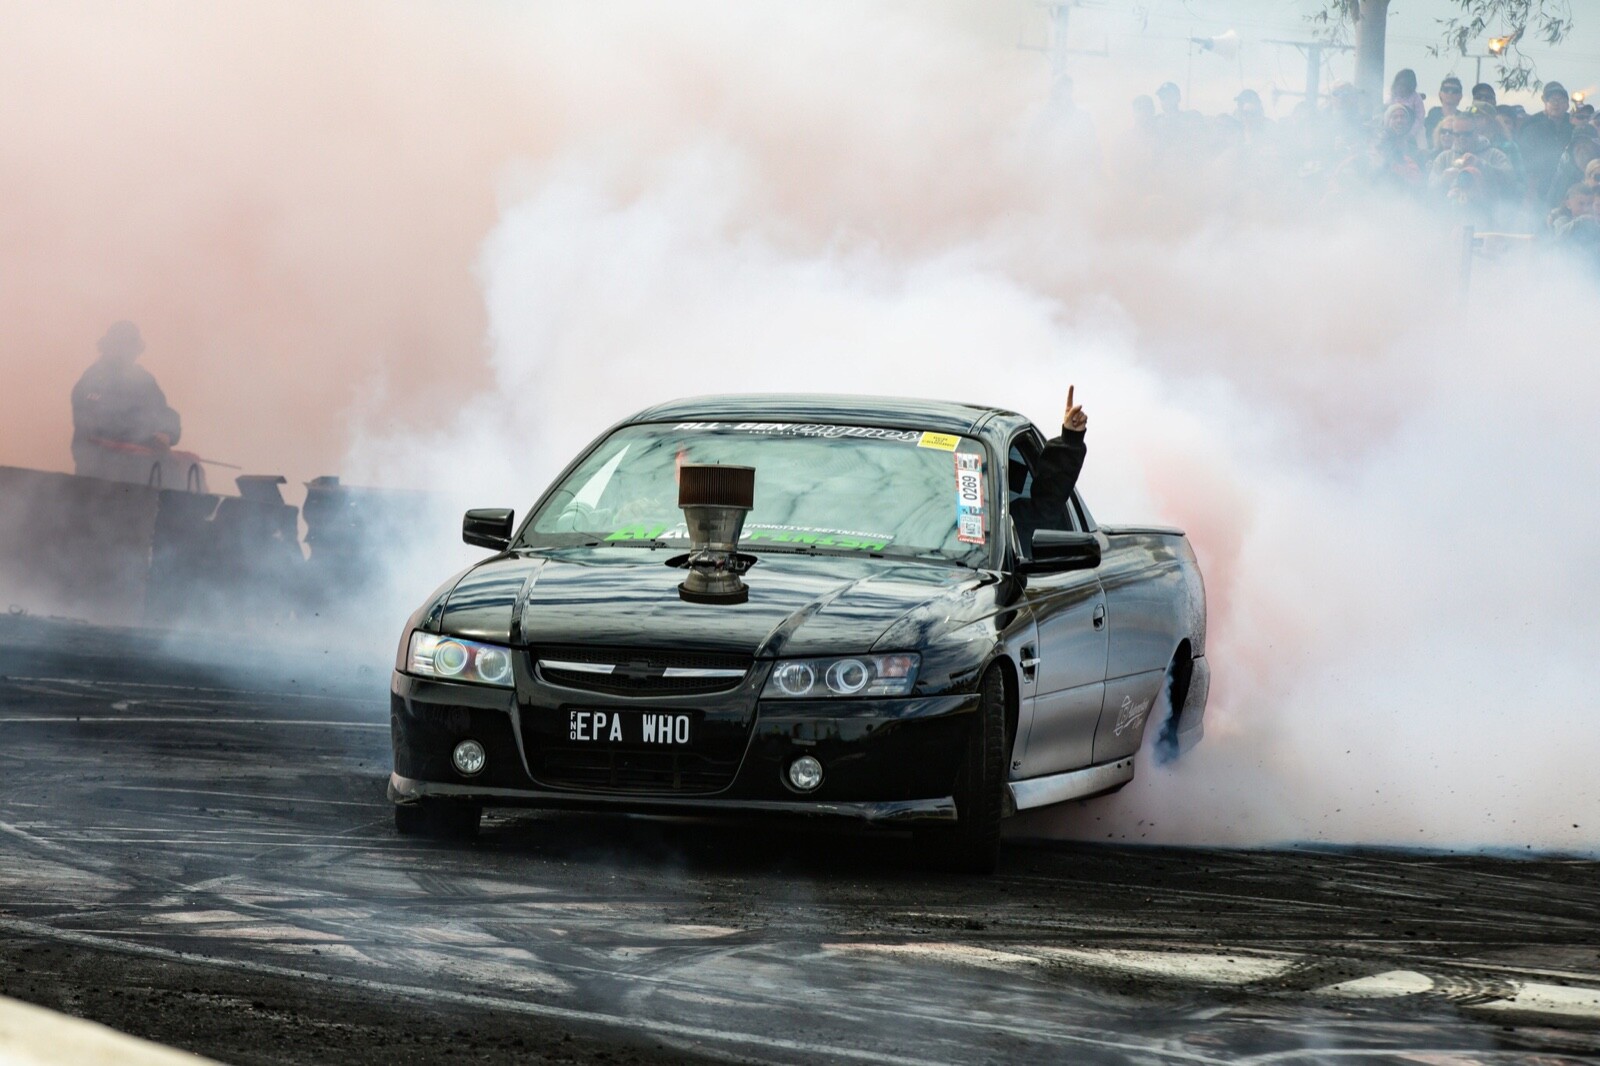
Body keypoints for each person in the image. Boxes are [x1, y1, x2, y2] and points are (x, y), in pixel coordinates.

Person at [70, 321, 182, 480]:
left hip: (140, 475)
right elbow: (97, 423)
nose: (129, 353)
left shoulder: (145, 380)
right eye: (122, 346)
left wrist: (167, 433)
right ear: (109, 347)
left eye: (131, 347)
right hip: (97, 475)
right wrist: (146, 435)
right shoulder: (91, 381)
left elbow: (165, 412)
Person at [1518, 81, 1574, 205]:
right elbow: (1526, 158)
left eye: (1560, 100)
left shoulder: (1573, 126)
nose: (1556, 103)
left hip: (1569, 185)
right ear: (1545, 103)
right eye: (1552, 100)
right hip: (1538, 185)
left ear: (1567, 105)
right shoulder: (1532, 126)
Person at [1388, 69, 1428, 149]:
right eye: (1398, 85)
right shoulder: (1393, 97)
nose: (1400, 88)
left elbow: (1420, 117)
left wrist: (1411, 133)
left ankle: (1423, 152)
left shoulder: (1416, 98)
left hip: (1413, 127)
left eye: (1403, 86)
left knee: (1421, 132)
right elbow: (1388, 113)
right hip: (1395, 126)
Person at [1425, 75, 1465, 148]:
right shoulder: (1432, 116)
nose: (1450, 93)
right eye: (1446, 90)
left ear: (1460, 96)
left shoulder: (1463, 120)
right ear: (1440, 94)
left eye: (1455, 91)